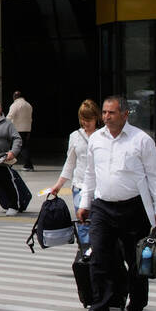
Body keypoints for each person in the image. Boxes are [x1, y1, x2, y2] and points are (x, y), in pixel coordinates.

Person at [77, 96, 156, 311]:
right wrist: (85, 203)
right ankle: (100, 308)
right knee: (98, 257)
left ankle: (136, 307)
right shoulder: (96, 139)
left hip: (133, 208)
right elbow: (90, 174)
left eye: (112, 113)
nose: (106, 117)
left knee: (135, 261)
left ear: (125, 115)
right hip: (102, 207)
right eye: (105, 113)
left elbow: (155, 176)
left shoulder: (141, 140)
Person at [47, 99, 101, 247]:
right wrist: (58, 185)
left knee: (98, 224)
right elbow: (70, 163)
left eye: (89, 119)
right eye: (83, 119)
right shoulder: (75, 136)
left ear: (96, 118)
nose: (86, 123)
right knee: (83, 223)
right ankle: (85, 253)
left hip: (100, 188)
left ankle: (97, 253)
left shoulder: (104, 135)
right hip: (79, 186)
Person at [7, 90, 34, 171]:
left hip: (17, 129)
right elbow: (30, 119)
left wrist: (2, 124)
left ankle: (28, 165)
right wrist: (29, 130)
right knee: (22, 146)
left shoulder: (15, 105)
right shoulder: (28, 105)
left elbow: (9, 116)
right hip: (26, 129)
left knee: (19, 147)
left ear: (14, 97)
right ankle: (26, 165)